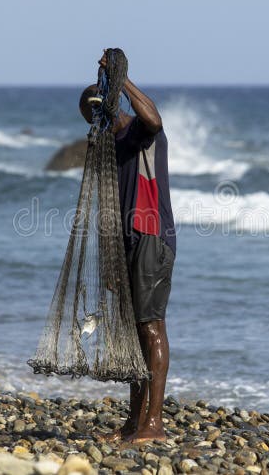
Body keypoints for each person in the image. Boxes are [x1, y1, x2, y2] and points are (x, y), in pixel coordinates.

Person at [78, 50, 176, 443]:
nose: (94, 122)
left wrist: (124, 82)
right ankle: (134, 422)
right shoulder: (108, 145)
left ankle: (155, 423)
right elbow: (109, 209)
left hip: (152, 237)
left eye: (96, 112)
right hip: (125, 245)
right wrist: (110, 263)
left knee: (150, 328)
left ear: (110, 104)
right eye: (89, 119)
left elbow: (154, 117)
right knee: (133, 336)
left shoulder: (141, 132)